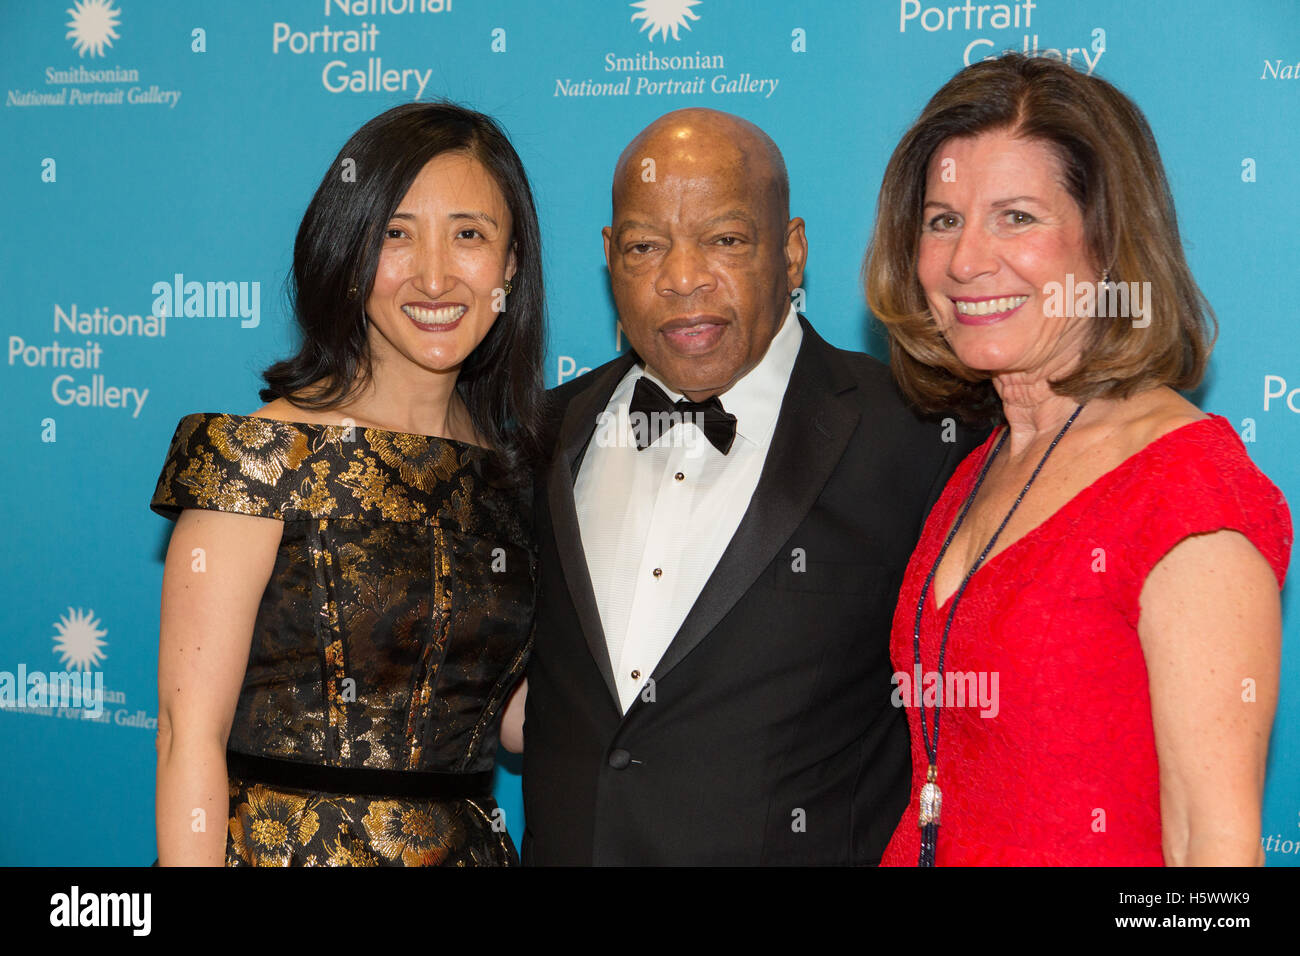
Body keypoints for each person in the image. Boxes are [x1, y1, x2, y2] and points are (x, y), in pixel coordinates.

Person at [514, 107, 982, 865]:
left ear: (792, 254)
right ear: (609, 258)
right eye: (644, 246)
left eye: (725, 240)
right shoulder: (543, 434)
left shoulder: (923, 438)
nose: (682, 278)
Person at [865, 54, 1292, 866]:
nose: (965, 262)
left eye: (1017, 218)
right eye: (943, 219)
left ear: (1108, 241)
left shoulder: (1186, 485)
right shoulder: (982, 463)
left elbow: (1214, 849)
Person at [150, 102, 547, 866]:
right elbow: (184, 738)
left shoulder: (513, 474)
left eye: (469, 234)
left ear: (512, 264)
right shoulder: (260, 456)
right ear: (348, 252)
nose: (434, 274)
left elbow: (508, 718)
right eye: (396, 234)